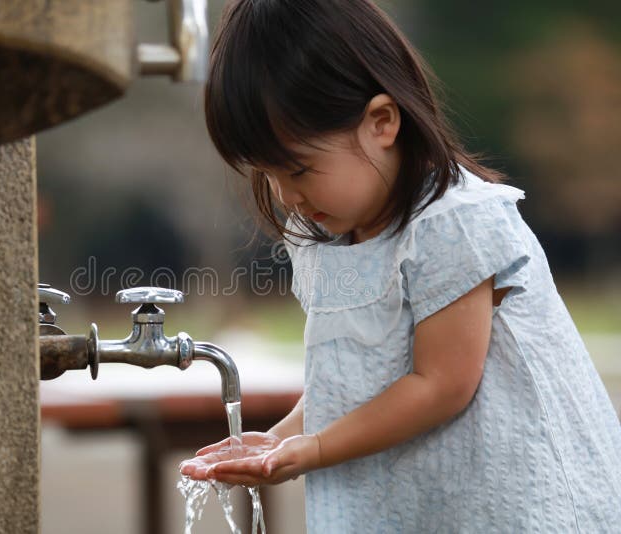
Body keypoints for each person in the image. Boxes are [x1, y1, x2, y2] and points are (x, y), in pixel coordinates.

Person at [179, 0, 621, 531]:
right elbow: (352, 375)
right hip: (423, 501)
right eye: (268, 173)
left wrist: (315, 446)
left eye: (298, 168)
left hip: (514, 503)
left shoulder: (450, 224)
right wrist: (282, 436)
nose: (286, 195)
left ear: (381, 122)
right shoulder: (329, 238)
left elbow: (441, 383)